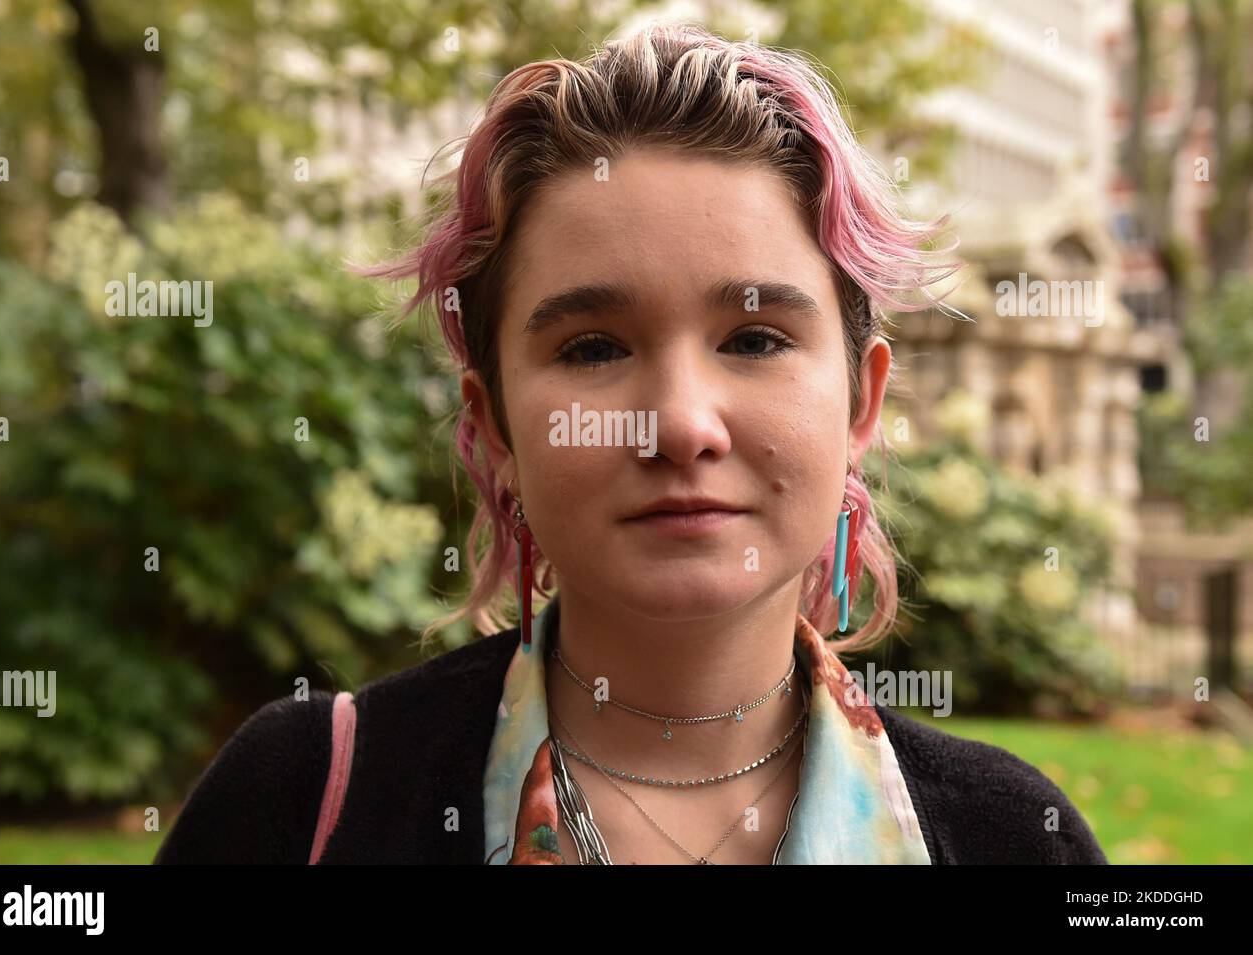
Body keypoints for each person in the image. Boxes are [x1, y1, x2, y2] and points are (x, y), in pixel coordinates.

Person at [155, 22, 1108, 865]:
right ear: (493, 428)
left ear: (862, 401)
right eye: (594, 348)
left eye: (755, 339)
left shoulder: (1015, 840)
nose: (682, 425)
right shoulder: (301, 805)